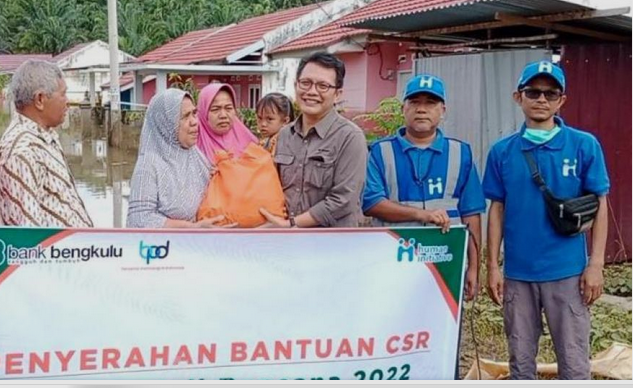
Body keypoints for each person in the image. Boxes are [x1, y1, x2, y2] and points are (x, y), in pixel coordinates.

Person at [483, 60, 609, 380]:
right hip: (518, 274)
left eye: (550, 93)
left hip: (567, 271)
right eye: (533, 92)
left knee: (574, 362)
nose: (541, 99)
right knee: (521, 361)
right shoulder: (502, 151)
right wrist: (493, 266)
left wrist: (595, 265)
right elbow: (497, 209)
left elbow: (600, 204)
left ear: (561, 100)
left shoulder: (583, 145)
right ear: (518, 97)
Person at [362, 74, 485, 301]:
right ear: (404, 108)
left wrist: (473, 268)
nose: (421, 109)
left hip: (445, 261)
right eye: (415, 102)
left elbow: (471, 215)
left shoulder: (461, 153)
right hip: (393, 259)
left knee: (443, 319)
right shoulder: (381, 151)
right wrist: (422, 214)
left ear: (443, 110)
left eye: (430, 103)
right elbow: (372, 203)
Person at [261, 52, 367, 228]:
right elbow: (272, 186)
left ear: (337, 94)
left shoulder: (350, 137)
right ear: (295, 85)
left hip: (331, 240)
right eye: (306, 83)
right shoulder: (285, 134)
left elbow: (343, 200)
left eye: (323, 86)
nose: (311, 92)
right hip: (286, 239)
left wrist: (292, 224)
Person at [0, 60, 93, 228]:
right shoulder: (22, 150)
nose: (67, 101)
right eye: (63, 94)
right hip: (54, 245)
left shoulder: (44, 137)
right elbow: (28, 234)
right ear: (40, 99)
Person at [127, 88, 228, 228]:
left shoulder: (194, 154)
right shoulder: (148, 165)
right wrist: (192, 228)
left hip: (204, 240)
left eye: (194, 113)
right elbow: (139, 219)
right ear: (165, 123)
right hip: (169, 242)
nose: (194, 122)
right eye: (185, 116)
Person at [196, 83, 258, 164]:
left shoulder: (248, 141)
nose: (223, 115)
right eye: (215, 109)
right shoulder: (192, 146)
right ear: (203, 112)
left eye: (228, 108)